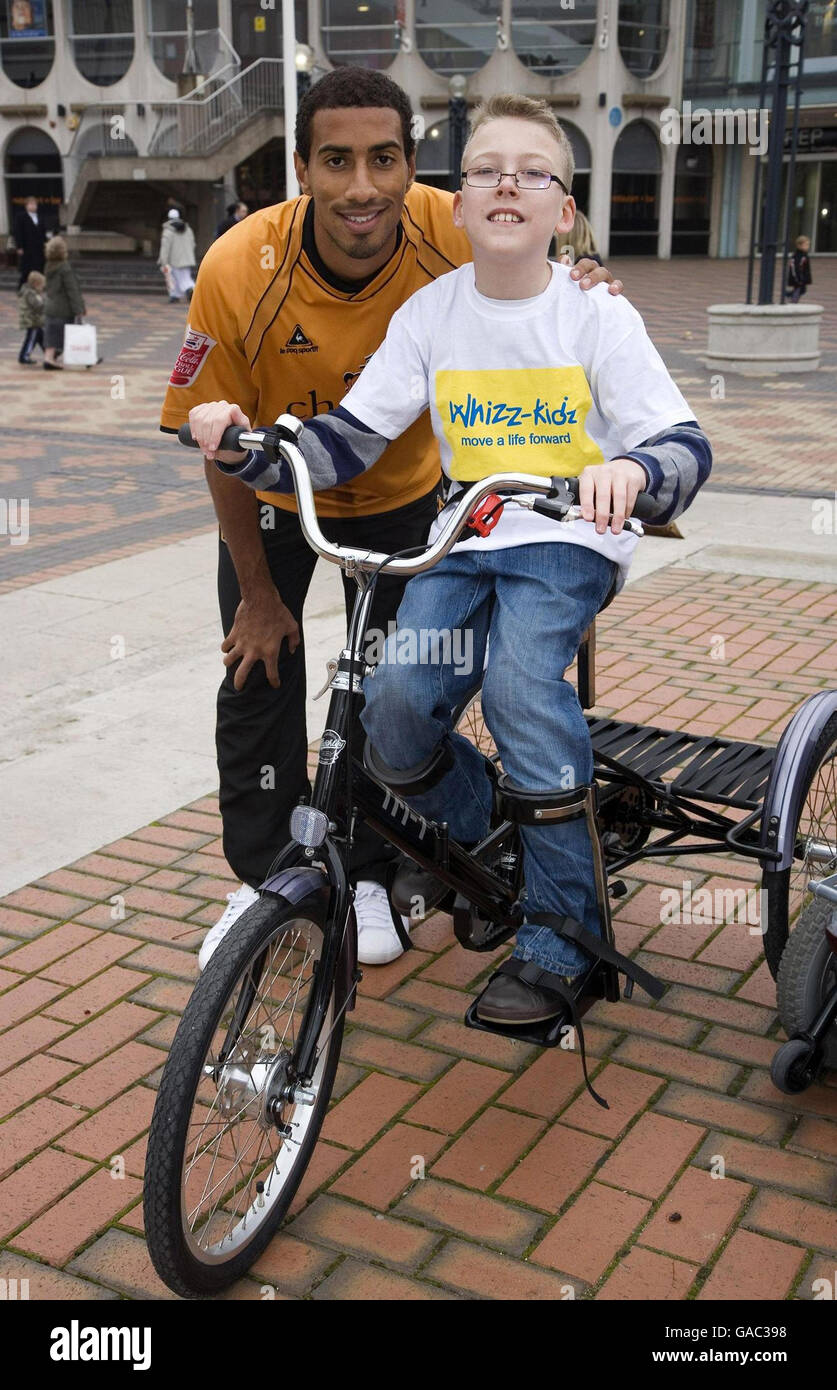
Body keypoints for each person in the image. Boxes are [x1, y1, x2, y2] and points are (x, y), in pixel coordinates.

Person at [161, 68, 623, 973]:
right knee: (259, 668)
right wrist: (257, 592)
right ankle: (267, 875)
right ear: (300, 168)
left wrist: (584, 278)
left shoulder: (450, 228)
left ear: (415, 169)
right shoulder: (233, 266)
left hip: (407, 493)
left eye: (383, 161)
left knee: (383, 688)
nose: (361, 187)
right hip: (283, 485)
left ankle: (370, 868)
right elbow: (212, 434)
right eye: (335, 161)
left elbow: (543, 237)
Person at [43, 236, 85, 370]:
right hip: (63, 308)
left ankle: (49, 358)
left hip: (50, 306)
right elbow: (72, 290)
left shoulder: (48, 265)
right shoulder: (65, 268)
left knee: (52, 334)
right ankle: (86, 357)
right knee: (70, 334)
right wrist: (80, 308)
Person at [159, 208, 197, 302]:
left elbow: (165, 248)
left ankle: (190, 290)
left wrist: (163, 261)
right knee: (184, 277)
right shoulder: (188, 229)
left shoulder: (168, 231)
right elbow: (192, 243)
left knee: (178, 279)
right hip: (187, 258)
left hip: (174, 259)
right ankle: (175, 295)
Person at [13, 195, 48, 289]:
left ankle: (38, 286)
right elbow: (18, 232)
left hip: (39, 248)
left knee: (39, 267)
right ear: (26, 205)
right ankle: (21, 288)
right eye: (31, 204)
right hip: (27, 247)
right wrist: (19, 246)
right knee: (27, 270)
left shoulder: (40, 217)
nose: (33, 206)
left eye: (35, 204)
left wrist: (45, 244)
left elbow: (43, 232)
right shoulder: (21, 217)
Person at [18, 268, 45, 364]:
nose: (43, 288)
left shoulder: (31, 292)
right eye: (42, 285)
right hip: (32, 321)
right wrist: (44, 302)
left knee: (40, 337)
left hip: (35, 320)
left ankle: (48, 352)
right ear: (36, 284)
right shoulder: (30, 293)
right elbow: (37, 305)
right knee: (31, 339)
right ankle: (24, 355)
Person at [787, 234, 812, 303]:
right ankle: (793, 302)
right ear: (799, 245)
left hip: (802, 278)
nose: (808, 247)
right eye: (806, 245)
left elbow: (806, 268)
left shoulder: (804, 255)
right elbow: (796, 268)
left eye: (808, 245)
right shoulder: (798, 256)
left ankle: (789, 295)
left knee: (802, 290)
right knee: (798, 290)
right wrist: (798, 279)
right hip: (798, 278)